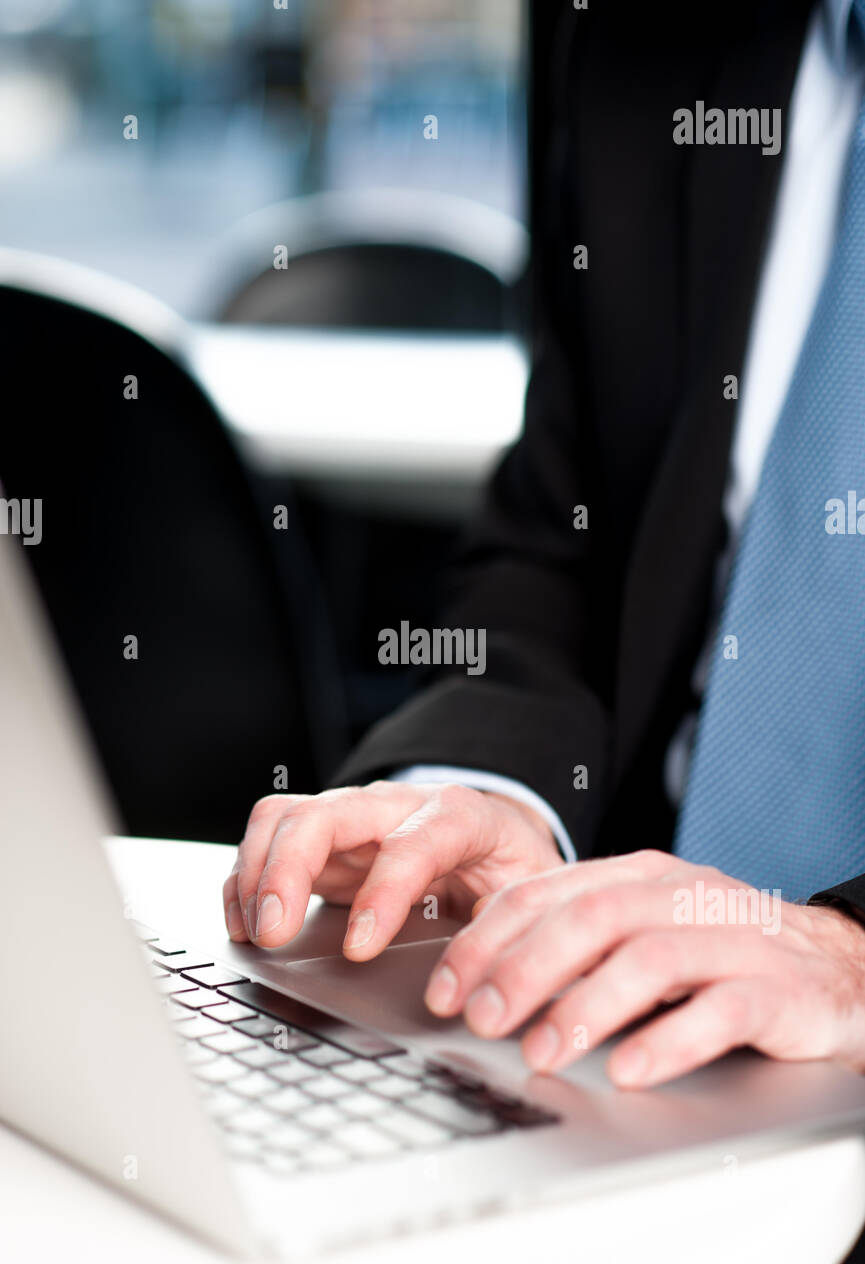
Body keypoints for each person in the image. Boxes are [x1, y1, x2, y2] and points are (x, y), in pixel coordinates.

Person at [224, 0, 865, 1090]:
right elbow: (561, 531)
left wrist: (849, 957)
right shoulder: (627, 37)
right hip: (597, 1020)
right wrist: (489, 790)